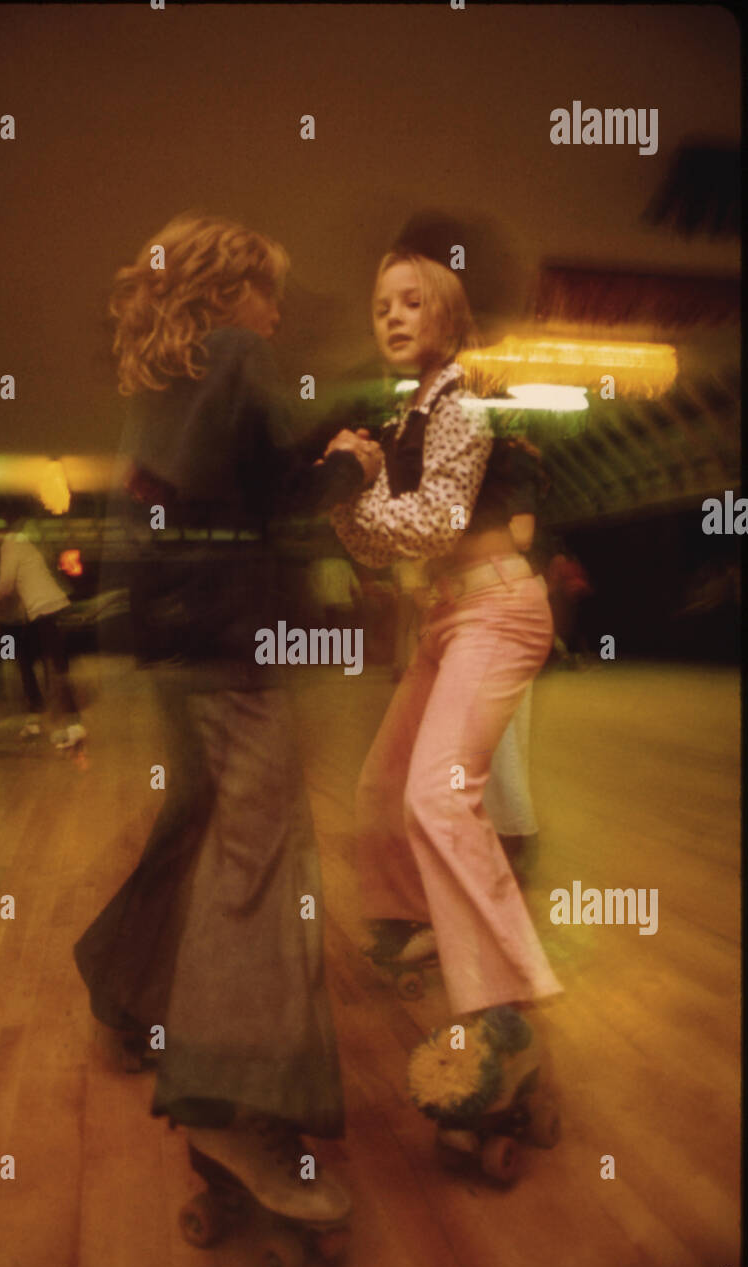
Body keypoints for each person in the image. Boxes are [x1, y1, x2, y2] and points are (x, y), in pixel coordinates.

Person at [72, 213, 377, 1237]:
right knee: (261, 857)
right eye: (266, 291)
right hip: (231, 639)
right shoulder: (242, 353)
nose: (276, 312)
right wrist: (350, 462)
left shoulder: (158, 380)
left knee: (199, 816)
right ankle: (234, 1113)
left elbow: (208, 494)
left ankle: (121, 992)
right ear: (223, 292)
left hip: (166, 638)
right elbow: (285, 493)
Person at [326, 238, 562, 1150]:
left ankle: (503, 1009)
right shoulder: (411, 415)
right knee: (384, 789)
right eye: (382, 302)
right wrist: (351, 491)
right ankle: (407, 929)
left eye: (412, 301)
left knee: (436, 793)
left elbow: (426, 524)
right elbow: (381, 547)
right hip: (447, 616)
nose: (391, 314)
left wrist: (345, 495)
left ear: (449, 318)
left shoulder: (459, 410)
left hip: (498, 611)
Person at [0, 506, 85, 748]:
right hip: (46, 607)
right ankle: (55, 721)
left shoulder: (11, 546)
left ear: (0, 533)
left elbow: (7, 585)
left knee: (55, 666)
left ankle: (74, 725)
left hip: (44, 608)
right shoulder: (23, 545)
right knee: (48, 663)